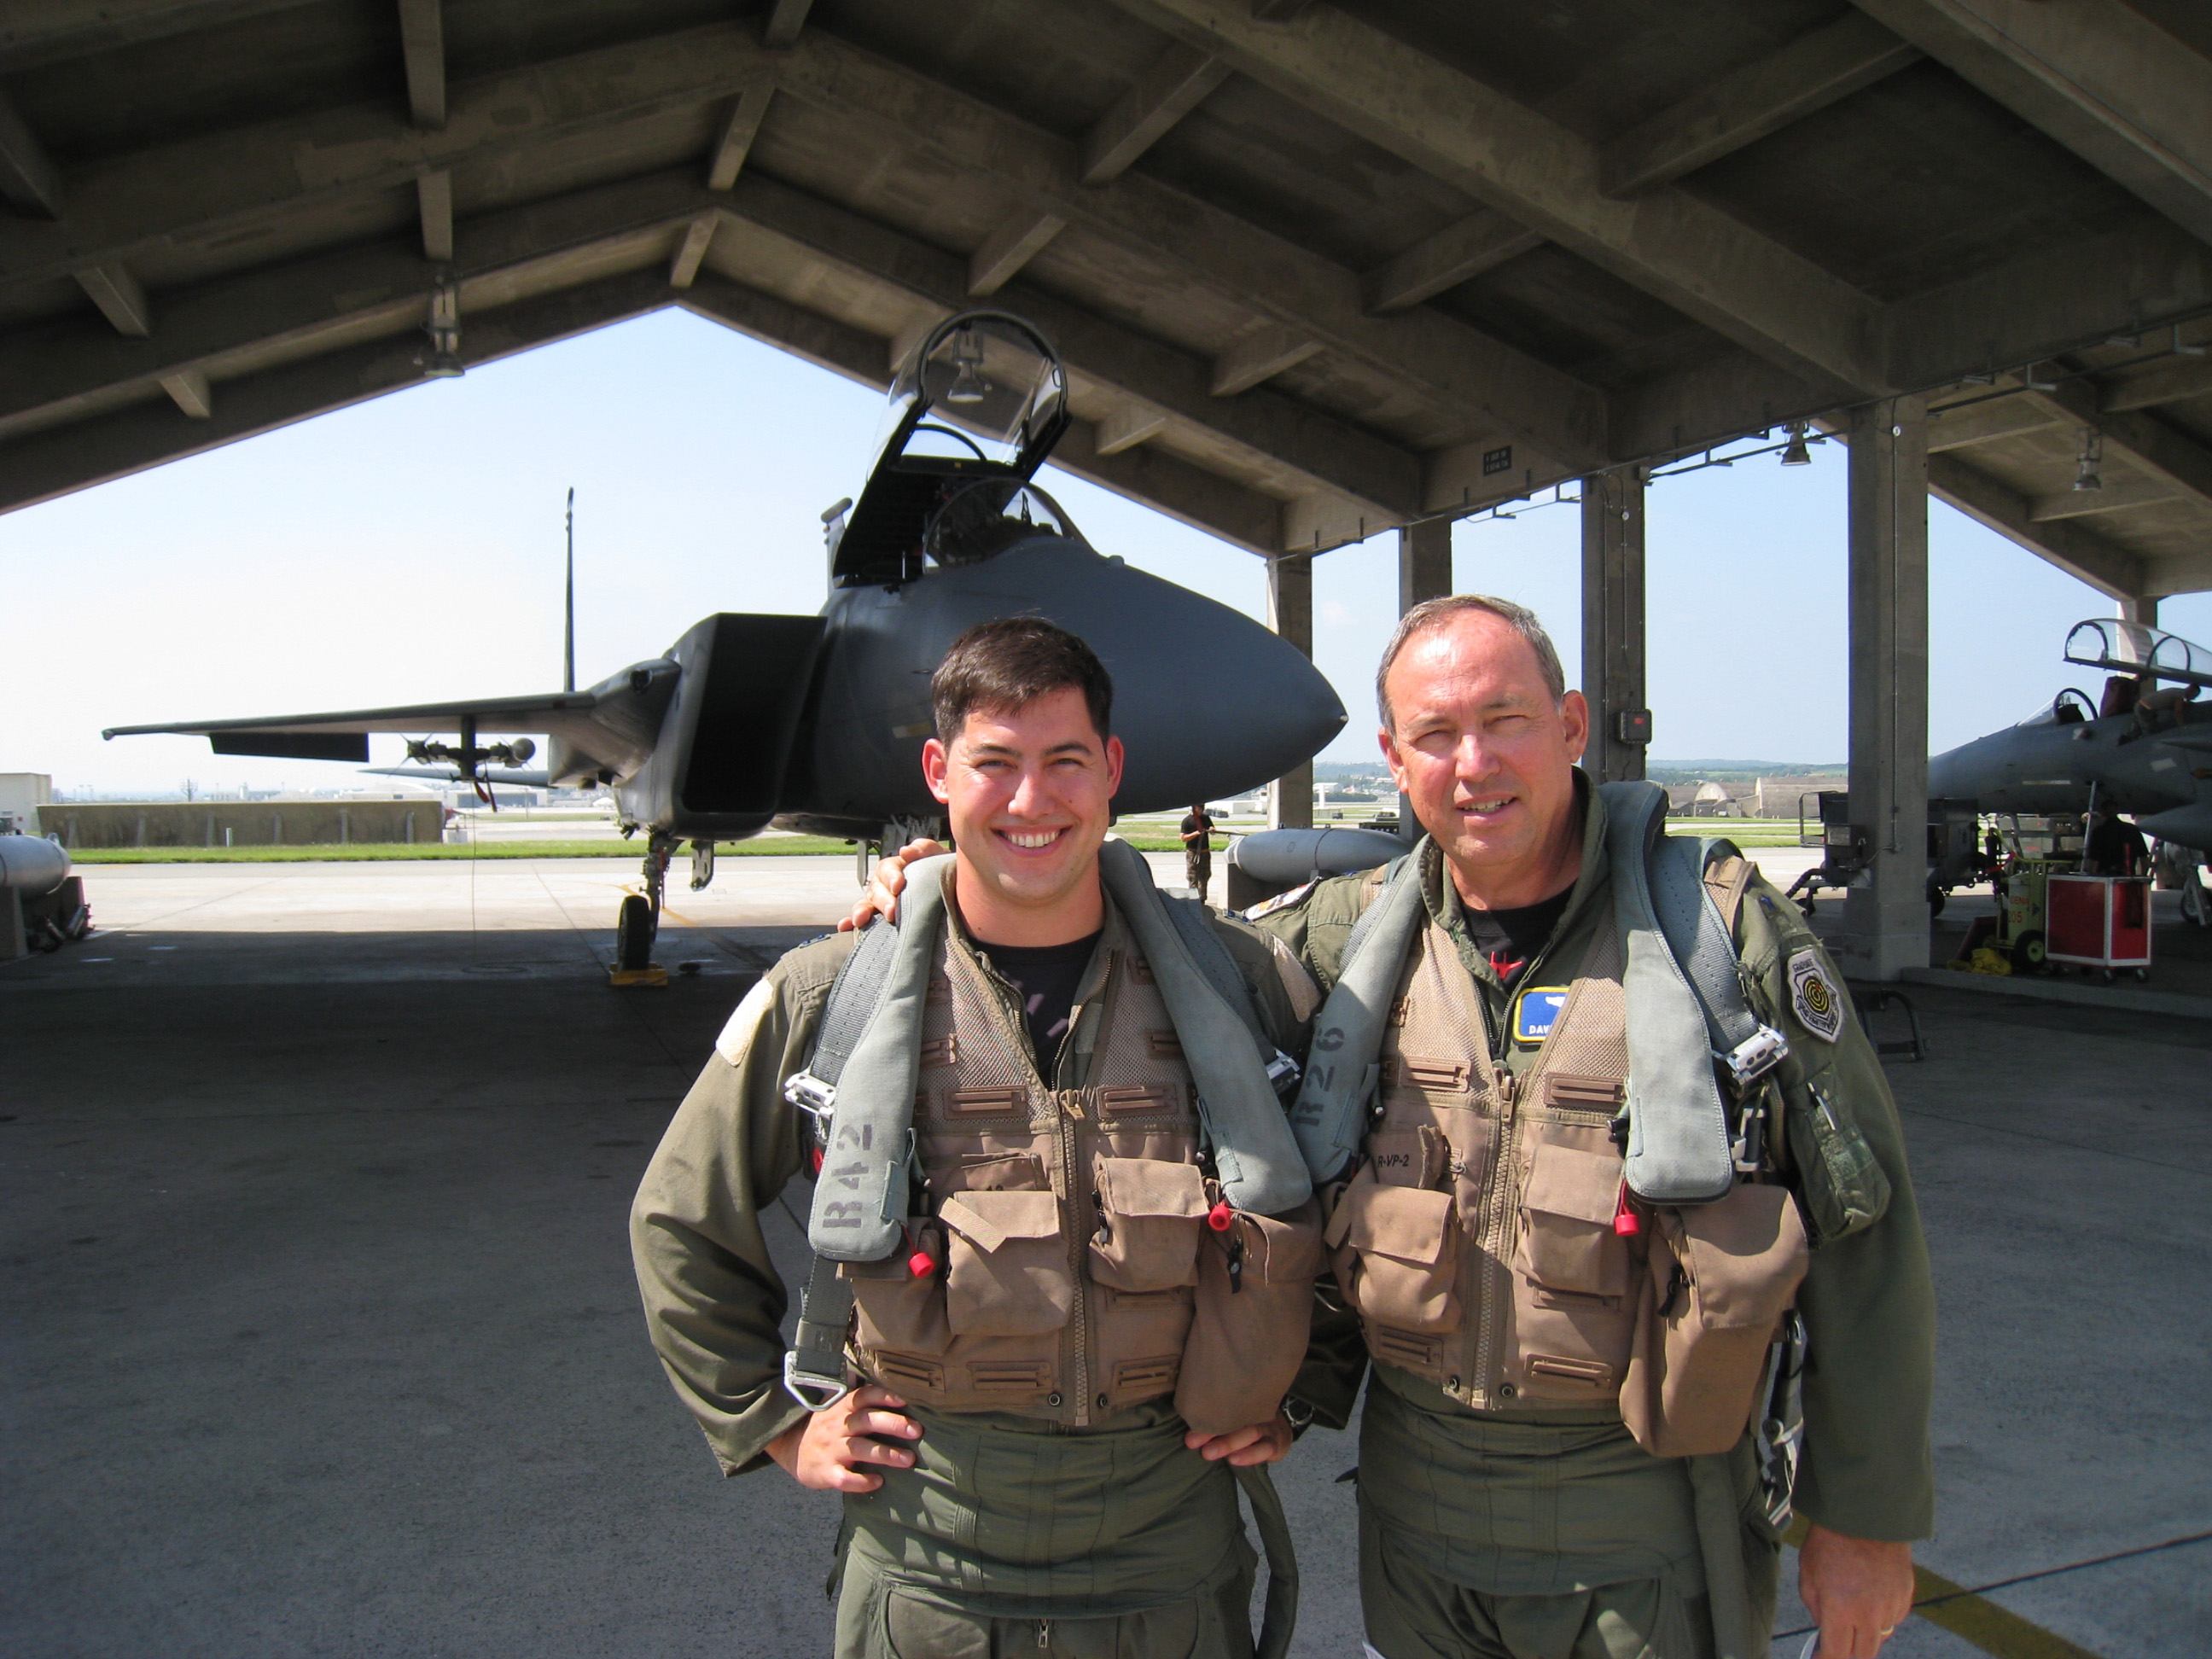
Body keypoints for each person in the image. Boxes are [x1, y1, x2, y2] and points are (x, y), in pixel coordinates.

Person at [863, 597, 1936, 1659]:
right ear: (1394, 757)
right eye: (1435, 734)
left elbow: (1864, 1229)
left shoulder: (1715, 936)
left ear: (1570, 726)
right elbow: (1165, 965)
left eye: (1506, 720)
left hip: (1640, 1519)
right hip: (1418, 1530)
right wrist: (951, 888)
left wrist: (1864, 1518)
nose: (1473, 763)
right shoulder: (1354, 936)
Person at [630, 618, 1328, 1659]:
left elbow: (1358, 1188)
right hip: (932, 1575)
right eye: (994, 764)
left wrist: (1301, 1389)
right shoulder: (834, 995)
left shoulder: (1239, 988)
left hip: (1171, 1565)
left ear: (1112, 771)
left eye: (1065, 762)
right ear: (939, 773)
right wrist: (770, 1424)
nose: (1032, 801)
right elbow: (680, 1218)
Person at [2083, 806, 2149, 877]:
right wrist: (2143, 877)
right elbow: (2144, 857)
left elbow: (2093, 860)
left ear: (2102, 813)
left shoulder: (2099, 832)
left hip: (2104, 878)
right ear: (2117, 811)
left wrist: (2092, 878)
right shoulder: (2132, 830)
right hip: (2128, 877)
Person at [1182, 801, 1219, 900]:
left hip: (1205, 852)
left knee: (1205, 876)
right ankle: (1193, 898)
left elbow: (1211, 828)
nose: (1202, 809)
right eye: (1200, 807)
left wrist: (1212, 829)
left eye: (1203, 807)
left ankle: (1202, 898)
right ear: (1194, 807)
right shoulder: (1187, 821)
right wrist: (1196, 833)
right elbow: (1183, 838)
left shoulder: (1205, 818)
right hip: (1193, 853)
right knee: (1193, 876)